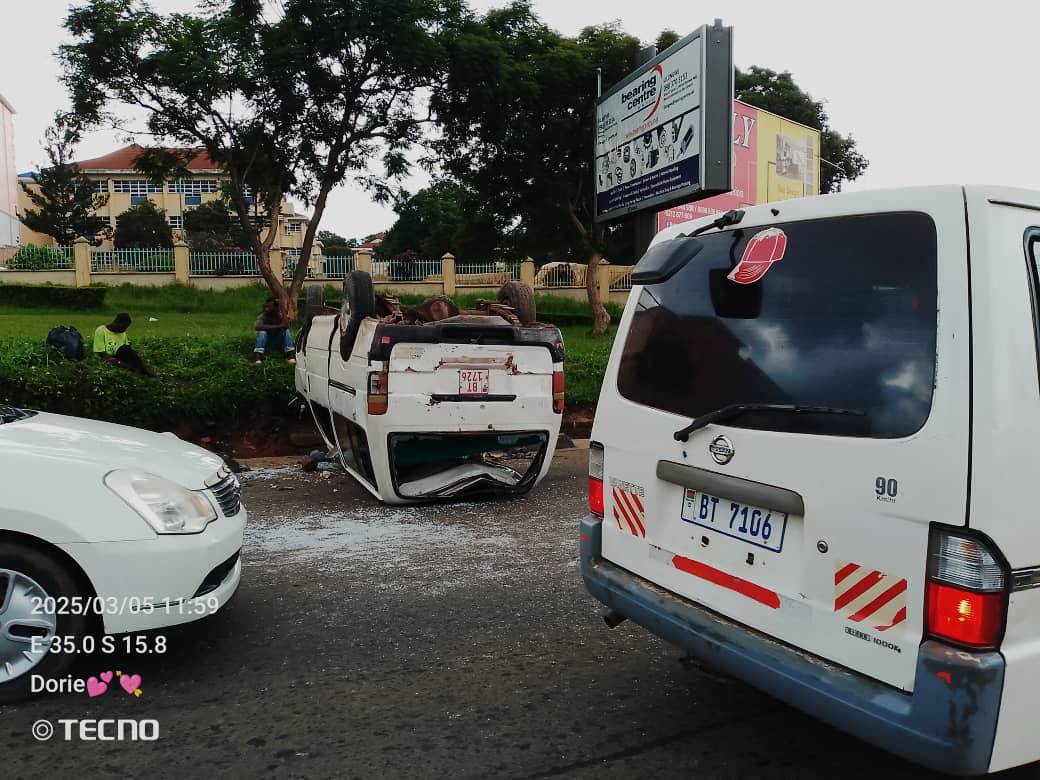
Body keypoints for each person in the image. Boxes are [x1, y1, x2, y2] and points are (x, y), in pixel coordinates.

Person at [254, 297, 296, 364]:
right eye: (266, 306)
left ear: (276, 307)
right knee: (262, 333)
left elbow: (286, 325)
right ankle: (258, 357)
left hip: (279, 343)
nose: (266, 309)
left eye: (269, 307)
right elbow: (258, 326)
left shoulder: (281, 315)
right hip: (268, 344)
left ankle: (291, 356)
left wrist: (282, 308)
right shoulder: (263, 316)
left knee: (286, 331)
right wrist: (278, 326)